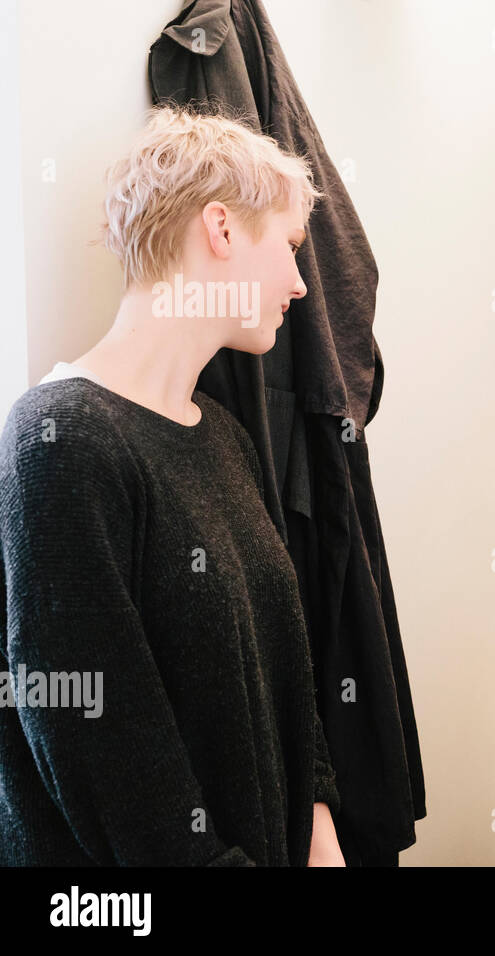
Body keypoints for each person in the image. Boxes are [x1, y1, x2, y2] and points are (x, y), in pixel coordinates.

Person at [0, 105, 344, 866]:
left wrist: (321, 839)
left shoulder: (221, 436)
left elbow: (282, 672)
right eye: (289, 248)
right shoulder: (61, 442)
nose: (297, 284)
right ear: (220, 229)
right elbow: (95, 736)